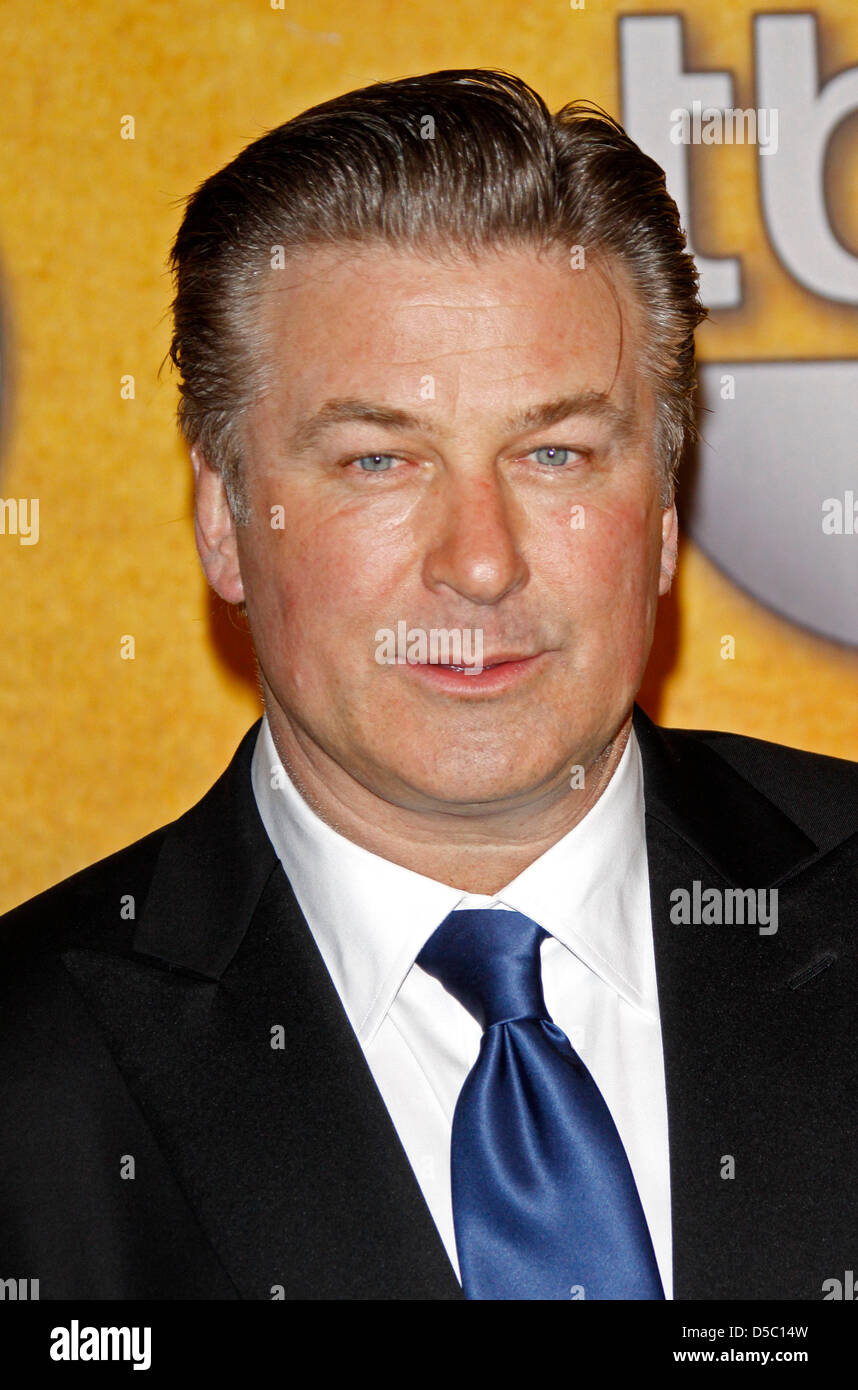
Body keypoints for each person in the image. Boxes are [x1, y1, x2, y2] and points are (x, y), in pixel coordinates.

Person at [1, 69, 856, 1302]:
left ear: (664, 507)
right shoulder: (28, 1083)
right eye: (379, 459)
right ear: (226, 519)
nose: (480, 558)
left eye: (555, 450)